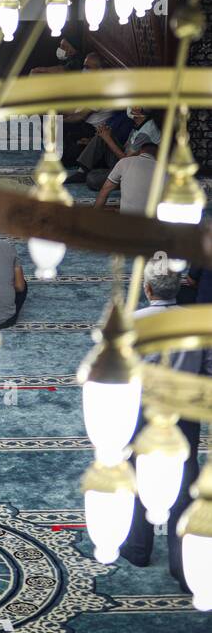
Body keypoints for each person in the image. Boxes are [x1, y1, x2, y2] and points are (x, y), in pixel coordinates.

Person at [119, 258, 205, 591]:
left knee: (140, 476)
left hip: (144, 413)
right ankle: (182, 567)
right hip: (185, 413)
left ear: (147, 288)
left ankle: (138, 547)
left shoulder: (133, 323)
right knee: (184, 486)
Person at [70, 106, 161, 184]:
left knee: (93, 179)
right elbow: (126, 149)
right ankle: (82, 171)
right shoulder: (138, 124)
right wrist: (105, 137)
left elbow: (126, 161)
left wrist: (108, 139)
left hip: (134, 172)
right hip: (127, 163)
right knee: (102, 135)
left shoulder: (145, 133)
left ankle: (119, 182)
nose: (128, 107)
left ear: (138, 110)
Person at [95, 142, 161, 215]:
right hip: (152, 223)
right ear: (158, 155)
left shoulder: (124, 162)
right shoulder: (164, 169)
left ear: (140, 151)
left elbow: (105, 190)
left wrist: (94, 216)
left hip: (126, 221)